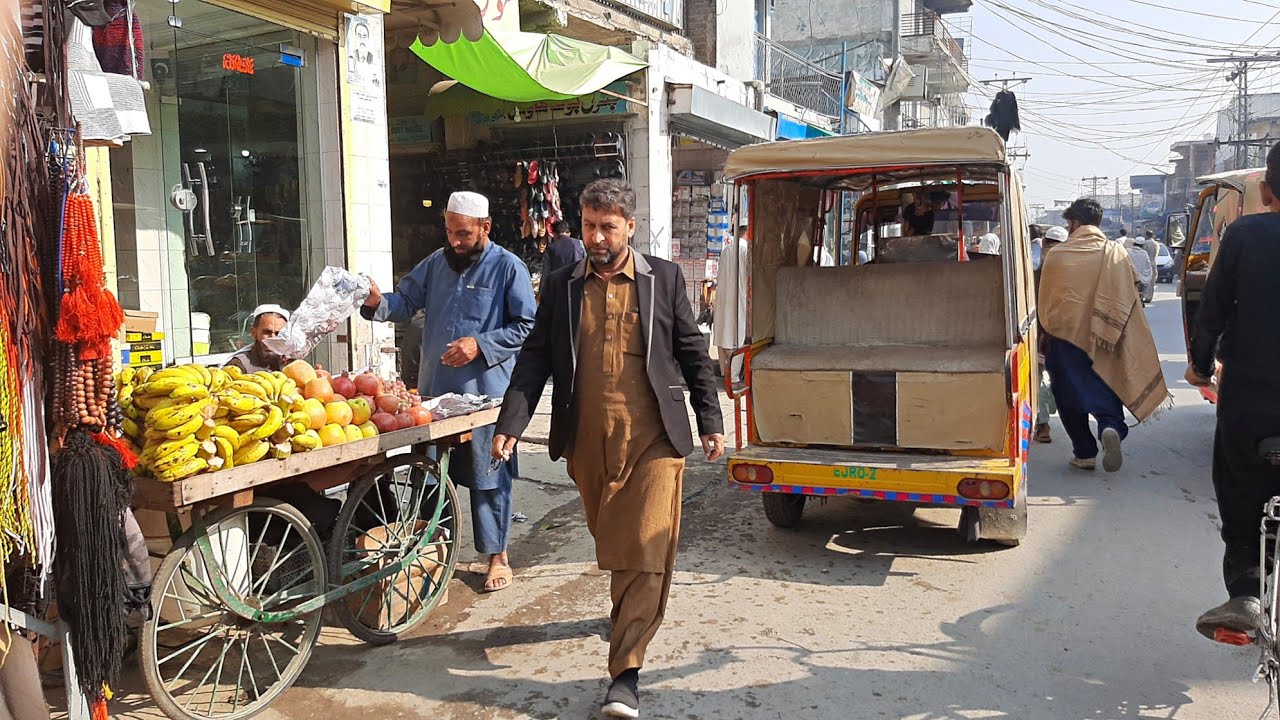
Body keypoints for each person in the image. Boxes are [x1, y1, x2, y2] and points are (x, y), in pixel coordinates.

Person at [491, 179, 725, 718]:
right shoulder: (560, 285)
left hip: (654, 440)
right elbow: (536, 358)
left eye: (607, 227)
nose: (596, 237)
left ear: (630, 227)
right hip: (588, 442)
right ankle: (626, 620)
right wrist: (511, 421)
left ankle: (626, 673)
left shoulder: (663, 279)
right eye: (588, 225)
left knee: (644, 551)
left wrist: (709, 419)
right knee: (614, 544)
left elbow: (691, 350)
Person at [361, 191, 536, 592]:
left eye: (463, 234)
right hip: (435, 397)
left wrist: (481, 344)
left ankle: (497, 557)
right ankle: (431, 555)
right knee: (430, 477)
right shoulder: (435, 264)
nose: (455, 241)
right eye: (449, 231)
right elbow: (403, 301)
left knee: (488, 478)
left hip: (486, 397)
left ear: (485, 228)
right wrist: (376, 303)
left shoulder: (509, 268)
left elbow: (527, 325)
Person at [1189, 142, 1280, 641]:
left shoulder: (1246, 234)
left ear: (1266, 192)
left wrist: (1201, 369)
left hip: (1252, 405)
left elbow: (1212, 315)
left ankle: (1246, 595)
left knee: (1241, 493)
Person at [1038, 198, 1168, 472]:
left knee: (1068, 396)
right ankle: (1110, 427)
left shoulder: (1057, 255)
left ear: (1073, 223)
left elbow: (1046, 302)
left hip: (1064, 339)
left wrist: (1044, 334)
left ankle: (1084, 453)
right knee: (1106, 384)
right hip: (1106, 335)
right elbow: (1130, 294)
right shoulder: (1116, 253)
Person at [1032, 226, 1068, 443]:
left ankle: (1043, 425)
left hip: (1039, 332)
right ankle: (1046, 419)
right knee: (1056, 378)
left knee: (1039, 379)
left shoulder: (1035, 266)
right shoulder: (1073, 266)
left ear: (1044, 242)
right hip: (1064, 334)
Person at [714, 223, 749, 384]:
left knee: (724, 331)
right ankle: (733, 376)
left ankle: (724, 371)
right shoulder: (745, 250)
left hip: (725, 298)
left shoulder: (727, 250)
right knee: (737, 334)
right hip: (739, 297)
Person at [226, 304, 290, 373]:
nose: (273, 338)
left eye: (279, 334)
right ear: (254, 333)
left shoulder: (290, 362)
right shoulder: (238, 365)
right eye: (267, 332)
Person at [1128, 233, 1155, 305]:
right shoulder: (1144, 253)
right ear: (1143, 245)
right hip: (1142, 277)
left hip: (1131, 275)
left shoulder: (1128, 251)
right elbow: (1148, 265)